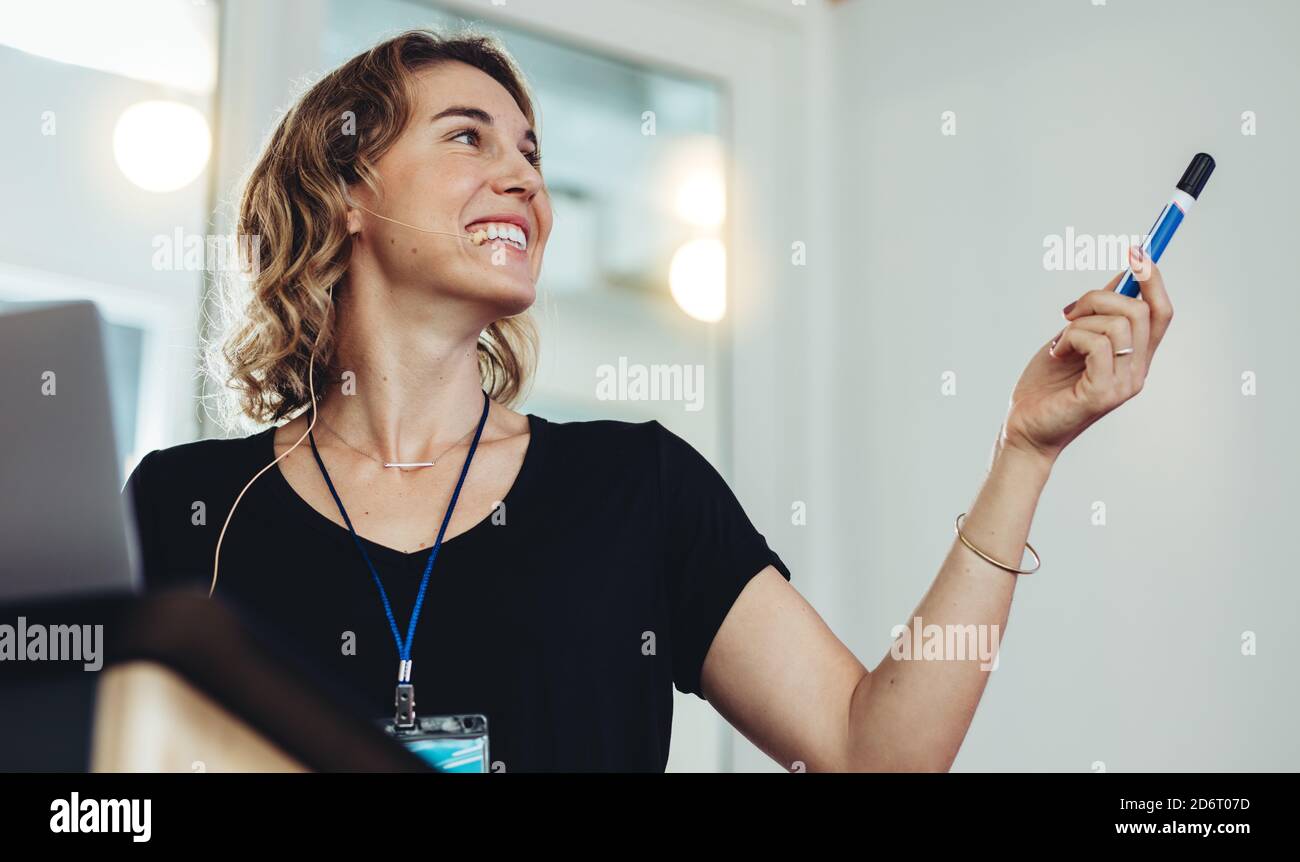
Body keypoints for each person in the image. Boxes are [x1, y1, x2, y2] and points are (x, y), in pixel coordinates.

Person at [125, 29, 1174, 772]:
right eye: (467, 137)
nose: (524, 180)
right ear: (348, 187)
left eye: (531, 153)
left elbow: (874, 754)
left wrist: (1024, 453)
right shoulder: (188, 507)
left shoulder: (636, 487)